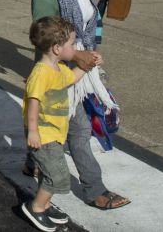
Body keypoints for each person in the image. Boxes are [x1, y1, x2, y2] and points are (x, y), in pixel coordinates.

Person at [30, 0, 130, 211]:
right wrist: (78, 54)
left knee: (64, 130)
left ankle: (33, 160)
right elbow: (44, 37)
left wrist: (90, 53)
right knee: (80, 130)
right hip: (59, 76)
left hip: (80, 72)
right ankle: (94, 190)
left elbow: (87, 23)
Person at [21, 17, 98, 231]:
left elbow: (71, 78)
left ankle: (44, 205)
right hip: (43, 135)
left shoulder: (57, 68)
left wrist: (88, 65)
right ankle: (36, 207)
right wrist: (33, 131)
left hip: (54, 132)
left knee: (49, 172)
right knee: (58, 175)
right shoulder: (41, 73)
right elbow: (33, 102)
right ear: (56, 48)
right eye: (71, 44)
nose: (75, 48)